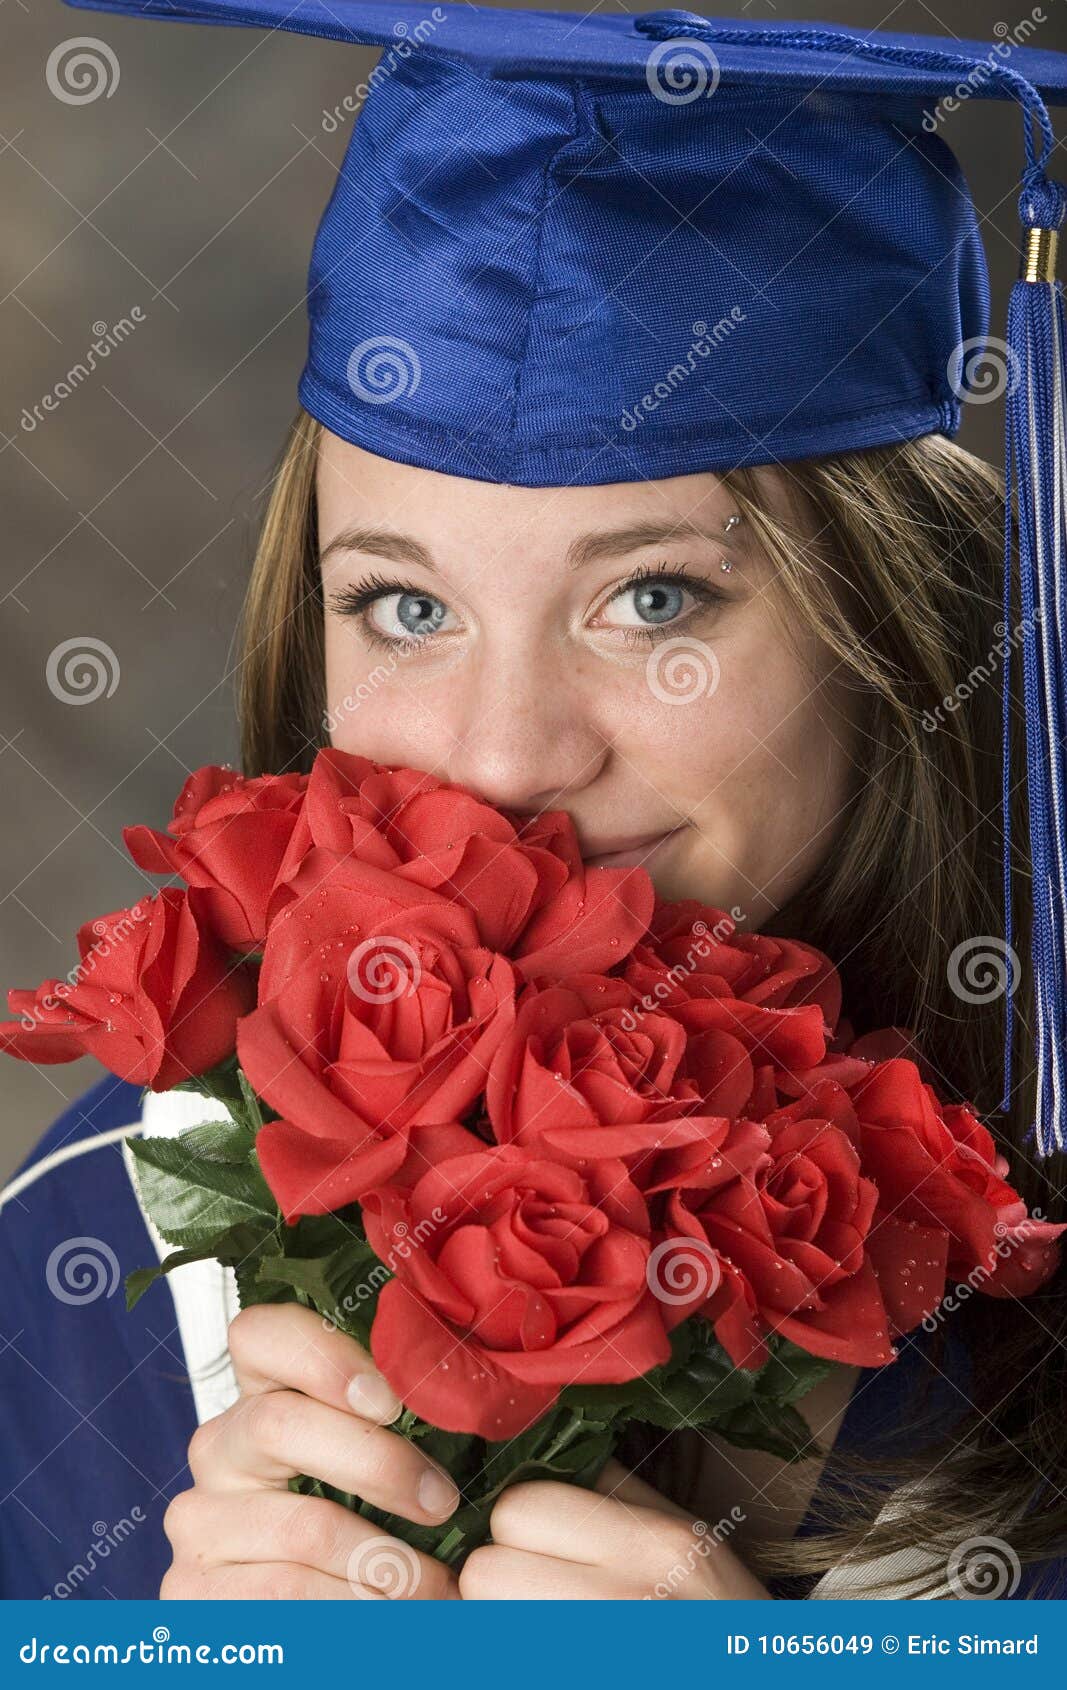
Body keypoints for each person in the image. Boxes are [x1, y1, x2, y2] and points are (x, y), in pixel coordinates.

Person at [2, 2, 1067, 1599]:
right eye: (406, 607)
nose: (503, 763)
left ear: (887, 618)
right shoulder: (97, 1255)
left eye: (653, 600)